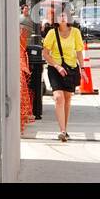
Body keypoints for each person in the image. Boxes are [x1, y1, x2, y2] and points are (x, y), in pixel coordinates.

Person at [41, 8, 83, 141]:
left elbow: (79, 52)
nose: (63, 18)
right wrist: (57, 66)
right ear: (56, 20)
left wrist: (83, 69)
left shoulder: (75, 32)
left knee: (67, 98)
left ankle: (65, 129)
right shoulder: (52, 33)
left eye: (65, 15)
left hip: (70, 69)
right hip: (55, 68)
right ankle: (62, 131)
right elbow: (45, 53)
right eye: (60, 16)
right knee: (59, 98)